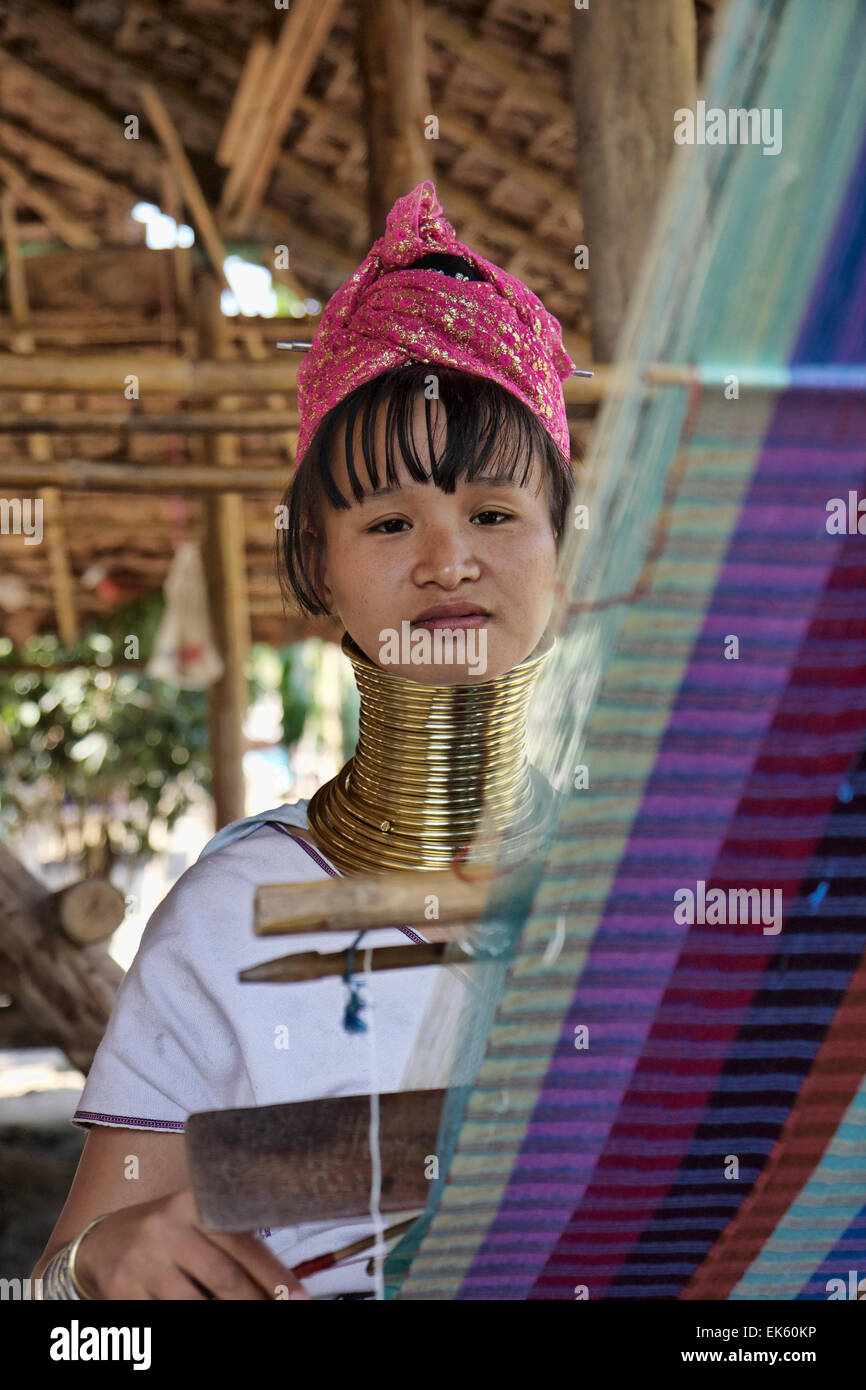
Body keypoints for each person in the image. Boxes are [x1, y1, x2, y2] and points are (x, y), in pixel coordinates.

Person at [32, 181, 580, 1300]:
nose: (446, 561)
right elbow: (52, 1315)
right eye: (387, 522)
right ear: (316, 569)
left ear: (565, 554)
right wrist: (91, 1269)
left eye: (492, 513)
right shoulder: (230, 912)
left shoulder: (658, 886)